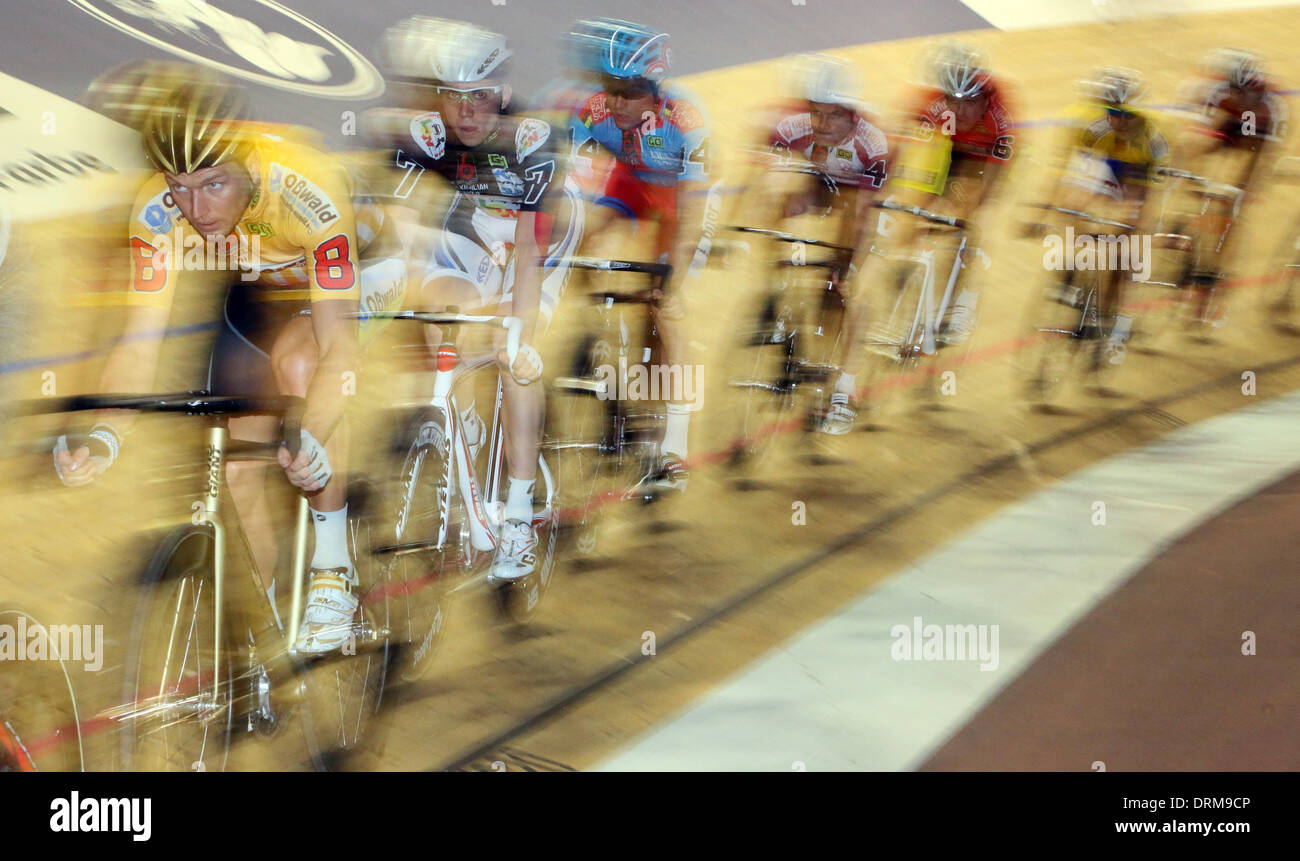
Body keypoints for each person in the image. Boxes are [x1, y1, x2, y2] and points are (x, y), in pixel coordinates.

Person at [54, 70, 407, 654]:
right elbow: (139, 344)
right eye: (180, 187)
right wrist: (105, 433)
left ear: (246, 165)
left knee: (300, 364)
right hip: (265, 279)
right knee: (237, 457)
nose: (196, 208)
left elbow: (337, 350)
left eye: (214, 185)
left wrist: (312, 438)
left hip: (360, 272)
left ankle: (331, 569)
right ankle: (272, 631)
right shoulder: (159, 210)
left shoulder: (304, 188)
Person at [367, 16, 583, 581]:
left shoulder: (531, 140)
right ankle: (455, 428)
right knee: (440, 308)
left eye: (480, 97)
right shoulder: (422, 134)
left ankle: (516, 515)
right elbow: (405, 236)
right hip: (480, 221)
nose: (466, 112)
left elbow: (530, 252)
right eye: (454, 98)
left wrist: (519, 333)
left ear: (503, 94)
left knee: (513, 359)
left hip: (542, 233)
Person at [565, 18, 722, 491]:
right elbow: (568, 195)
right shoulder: (592, 111)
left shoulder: (687, 121)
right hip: (630, 181)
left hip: (683, 197)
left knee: (666, 306)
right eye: (610, 88)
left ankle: (675, 443)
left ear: (654, 90)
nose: (615, 102)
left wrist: (668, 278)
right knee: (582, 240)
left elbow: (690, 219)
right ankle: (603, 341)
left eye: (628, 92)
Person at [753, 54, 890, 434]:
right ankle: (779, 293)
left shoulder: (872, 144)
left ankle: (845, 391)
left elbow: (861, 216)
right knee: (786, 206)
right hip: (822, 178)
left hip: (858, 191)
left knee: (844, 287)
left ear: (852, 113)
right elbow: (765, 182)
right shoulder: (793, 126)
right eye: (816, 112)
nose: (822, 124)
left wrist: (845, 265)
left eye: (834, 115)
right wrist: (764, 234)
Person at [1042, 68, 1170, 362]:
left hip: (1137, 174)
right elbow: (1069, 174)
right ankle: (1071, 268)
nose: (1120, 121)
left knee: (1125, 245)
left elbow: (1146, 198)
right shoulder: (1090, 125)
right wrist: (1056, 208)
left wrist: (1128, 228)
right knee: (1072, 204)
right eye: (1113, 113)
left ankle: (1109, 317)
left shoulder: (1153, 139)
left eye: (1126, 114)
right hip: (1105, 164)